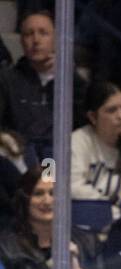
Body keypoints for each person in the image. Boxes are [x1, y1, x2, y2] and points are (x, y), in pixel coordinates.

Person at [0, 168, 102, 269]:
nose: (47, 201)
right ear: (25, 198)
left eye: (53, 193)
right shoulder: (5, 244)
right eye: (38, 193)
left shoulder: (88, 241)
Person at [0, 10, 87, 164]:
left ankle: (46, 183)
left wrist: (68, 74)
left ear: (55, 39)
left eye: (43, 33)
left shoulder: (70, 81)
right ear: (21, 41)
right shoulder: (7, 79)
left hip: (55, 159)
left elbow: (84, 118)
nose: (36, 40)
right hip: (18, 159)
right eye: (28, 34)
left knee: (51, 162)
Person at [69, 81, 121, 213]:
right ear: (92, 117)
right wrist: (109, 211)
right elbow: (73, 188)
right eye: (112, 110)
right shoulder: (76, 142)